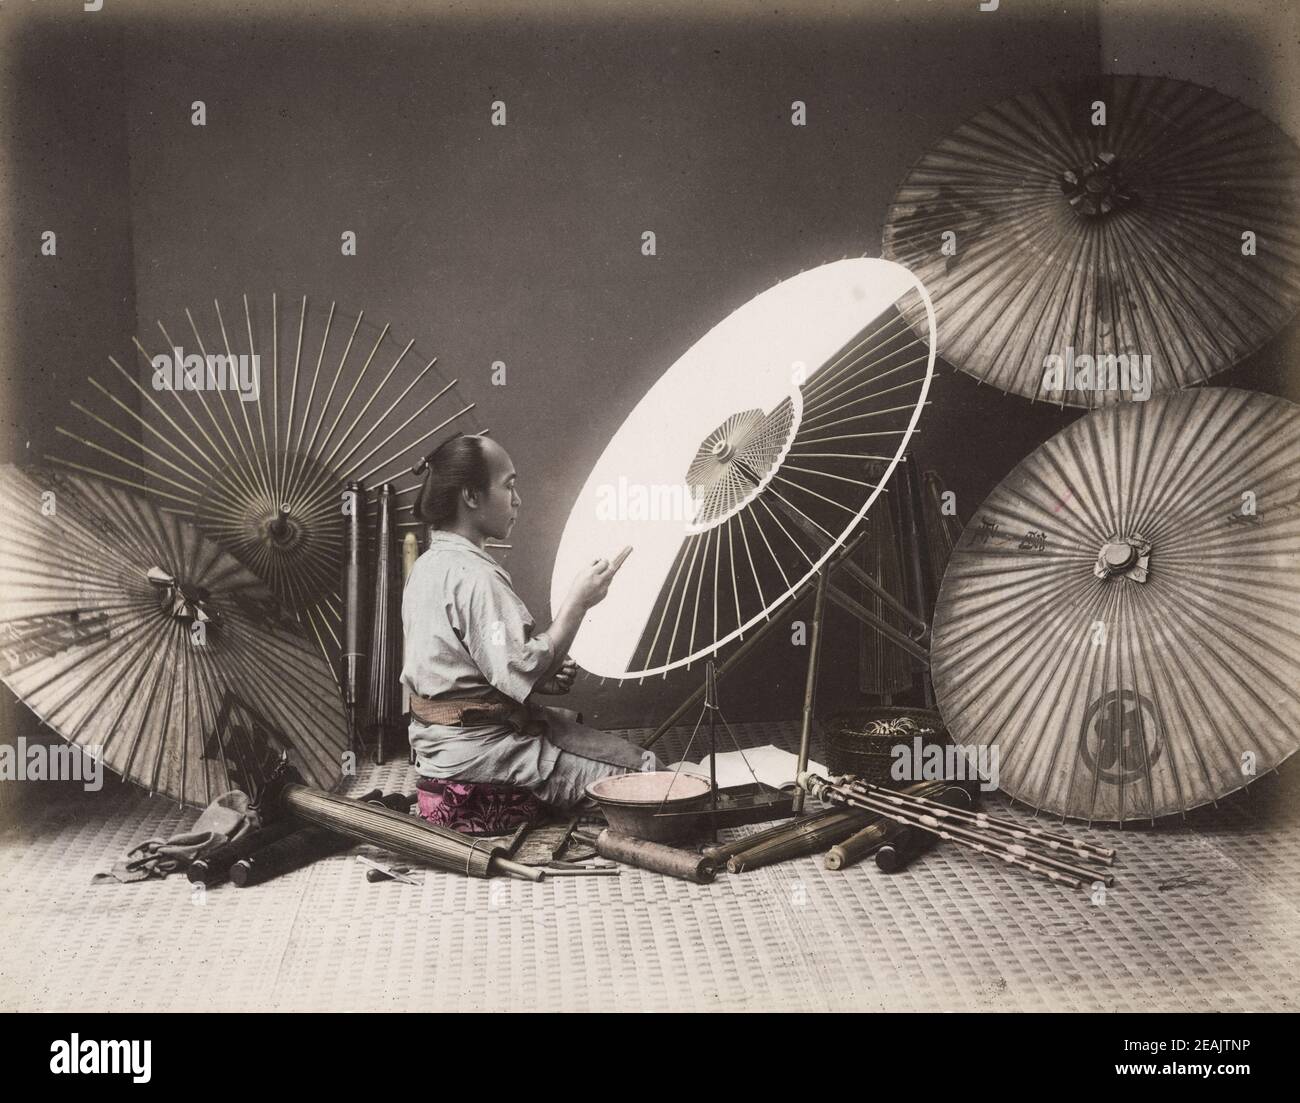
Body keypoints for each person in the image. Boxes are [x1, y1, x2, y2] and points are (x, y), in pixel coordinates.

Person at [400, 432, 659, 810]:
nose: (517, 500)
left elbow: (476, 666)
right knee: (651, 785)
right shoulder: (474, 577)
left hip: (443, 740)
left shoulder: (428, 566)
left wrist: (542, 677)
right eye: (509, 487)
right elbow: (521, 665)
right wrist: (578, 603)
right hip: (479, 750)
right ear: (471, 496)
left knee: (638, 759)